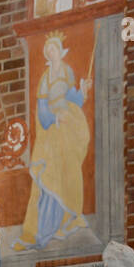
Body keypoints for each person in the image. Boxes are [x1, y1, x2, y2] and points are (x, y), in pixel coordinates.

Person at [15, 33, 92, 250]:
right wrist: (53, 117)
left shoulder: (66, 71)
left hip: (68, 122)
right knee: (49, 177)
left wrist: (83, 90)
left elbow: (72, 97)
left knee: (70, 169)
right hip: (52, 127)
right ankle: (43, 228)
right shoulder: (45, 77)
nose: (51, 53)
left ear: (60, 51)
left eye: (54, 49)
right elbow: (42, 108)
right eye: (48, 51)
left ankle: (70, 216)